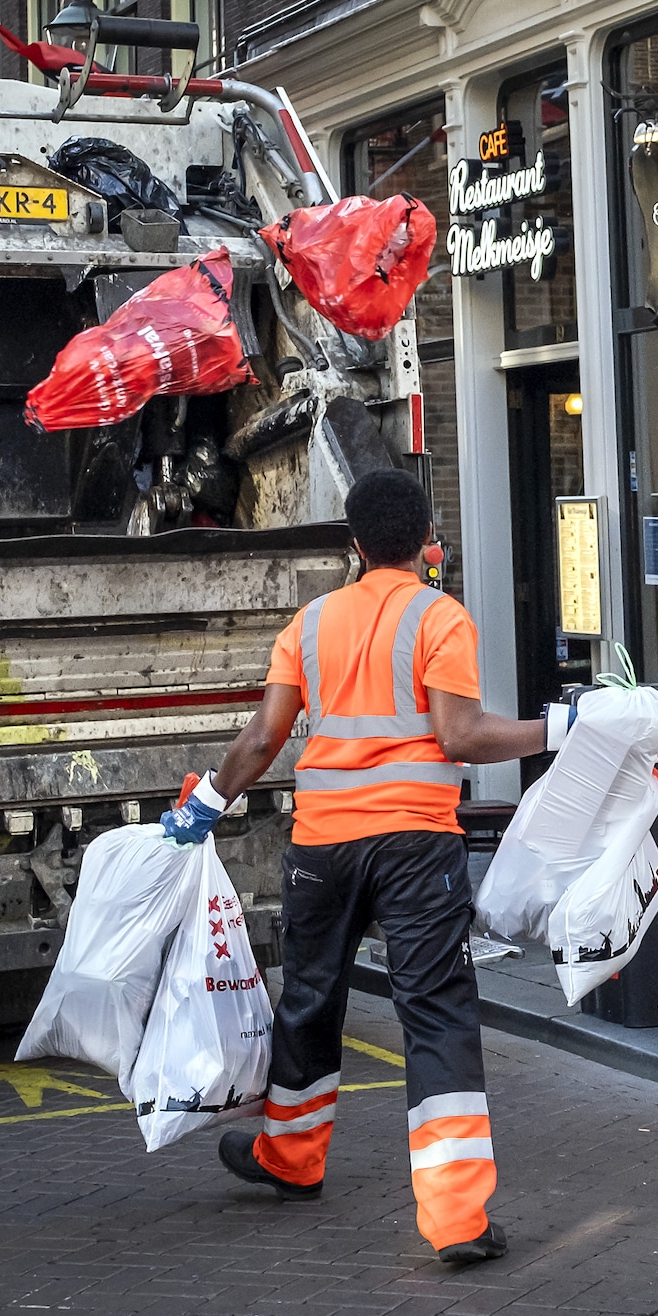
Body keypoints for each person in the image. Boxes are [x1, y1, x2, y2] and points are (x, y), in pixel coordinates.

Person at [160, 469, 570, 1268]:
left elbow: (262, 739)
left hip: (323, 846)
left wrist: (205, 804)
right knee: (436, 1011)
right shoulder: (440, 616)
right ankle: (455, 1219)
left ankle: (291, 1156)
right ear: (427, 544)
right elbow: (458, 736)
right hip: (416, 847)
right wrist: (557, 726)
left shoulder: (310, 623)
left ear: (352, 545)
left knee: (309, 1000)